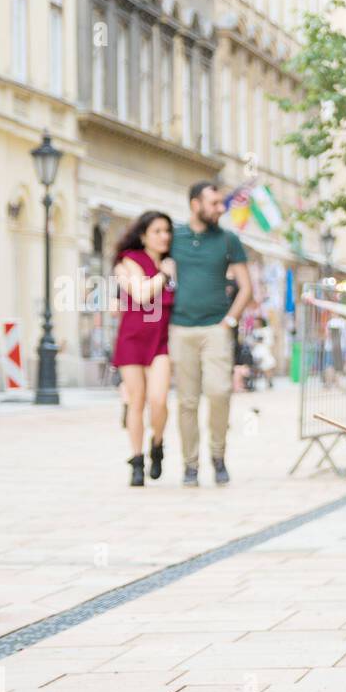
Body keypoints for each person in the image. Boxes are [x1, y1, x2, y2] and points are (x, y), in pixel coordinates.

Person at [168, 181, 252, 486]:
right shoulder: (174, 237)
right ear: (195, 204)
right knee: (187, 401)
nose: (220, 208)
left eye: (221, 203)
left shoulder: (228, 239)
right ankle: (190, 464)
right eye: (214, 203)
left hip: (216, 328)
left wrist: (229, 322)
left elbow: (246, 286)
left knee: (219, 391)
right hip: (180, 328)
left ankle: (218, 455)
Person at [111, 211, 176, 487]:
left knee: (159, 400)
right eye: (157, 231)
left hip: (160, 340)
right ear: (143, 235)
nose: (164, 236)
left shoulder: (174, 264)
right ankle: (137, 460)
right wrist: (163, 274)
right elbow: (140, 294)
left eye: (167, 231)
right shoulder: (128, 261)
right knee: (136, 401)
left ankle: (157, 444)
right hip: (132, 338)